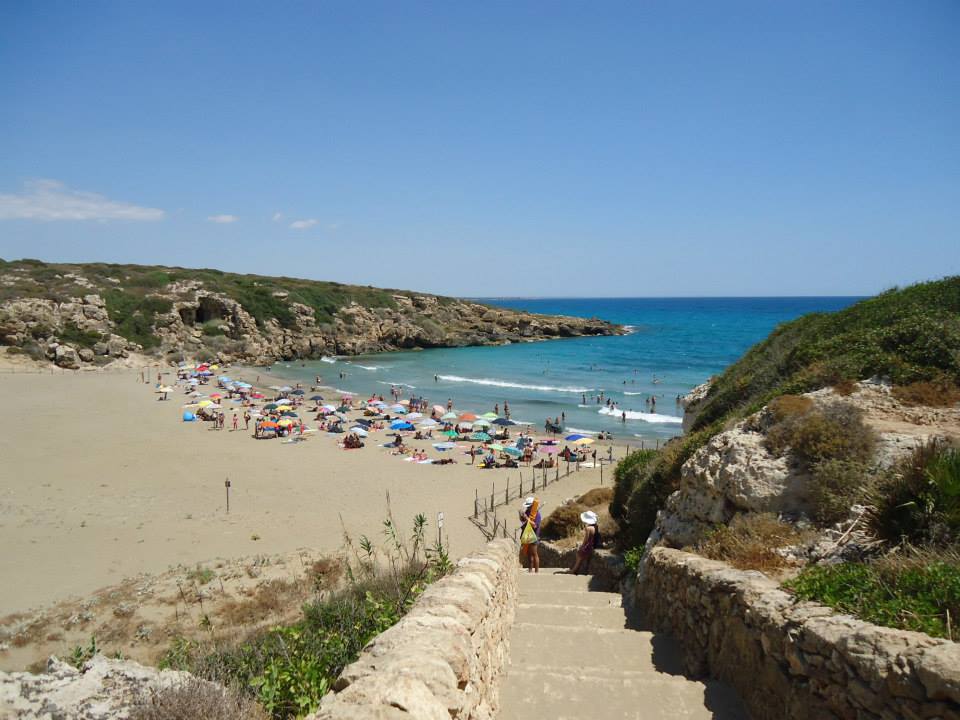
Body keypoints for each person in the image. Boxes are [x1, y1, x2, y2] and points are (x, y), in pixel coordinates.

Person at [518, 496, 541, 573]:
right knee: (528, 554)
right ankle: (530, 569)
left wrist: (527, 518)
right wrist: (521, 516)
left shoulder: (537, 514)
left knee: (534, 553)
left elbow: (534, 525)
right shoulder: (527, 512)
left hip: (534, 535)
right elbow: (523, 521)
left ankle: (536, 571)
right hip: (527, 534)